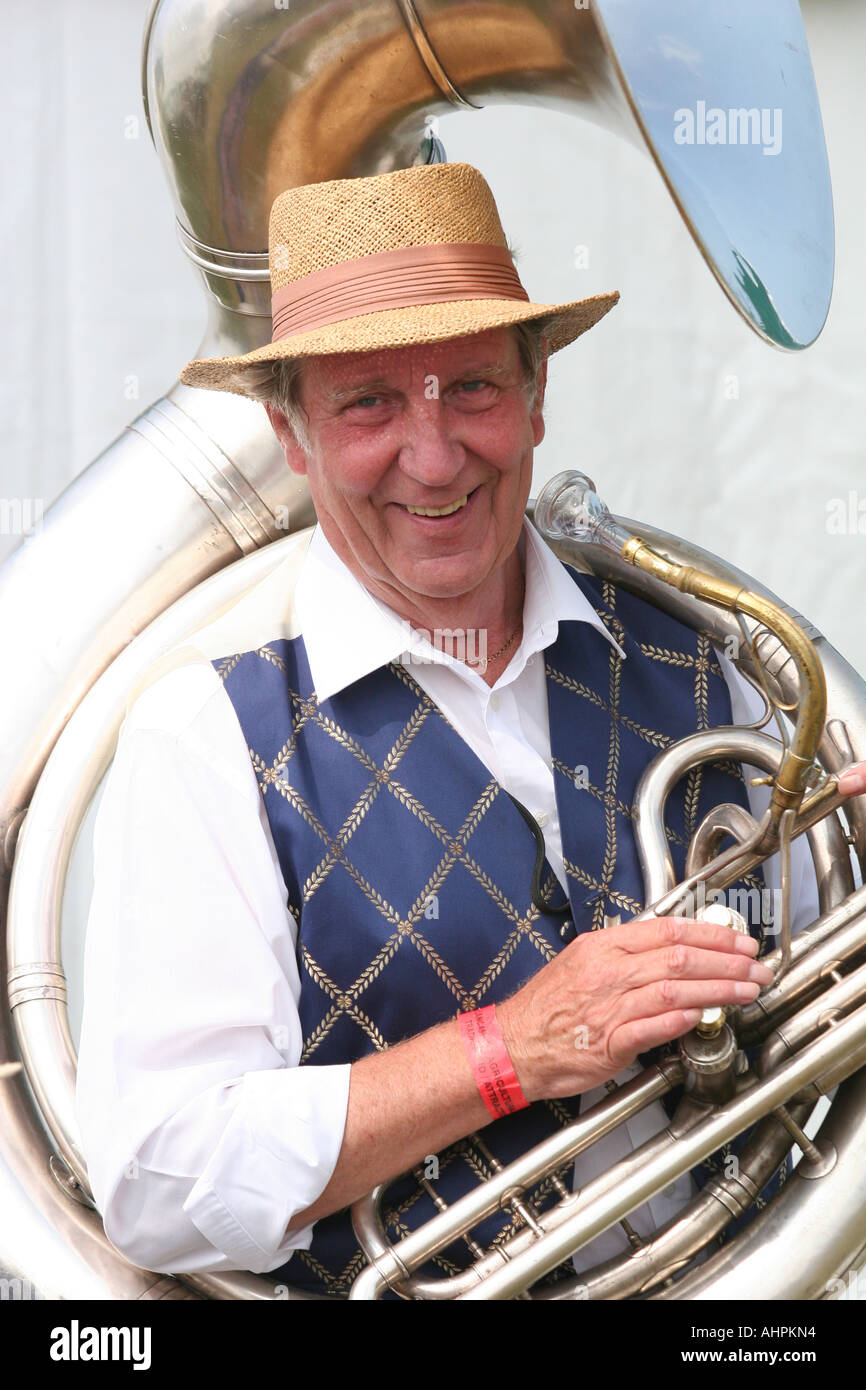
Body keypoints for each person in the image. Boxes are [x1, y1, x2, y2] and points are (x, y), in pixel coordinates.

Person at [75, 161, 865, 1297]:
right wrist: (507, 1051)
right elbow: (159, 1176)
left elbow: (805, 980)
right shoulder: (205, 733)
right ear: (289, 433)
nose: (434, 456)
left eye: (472, 389)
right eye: (367, 403)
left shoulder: (709, 663)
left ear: (538, 393)